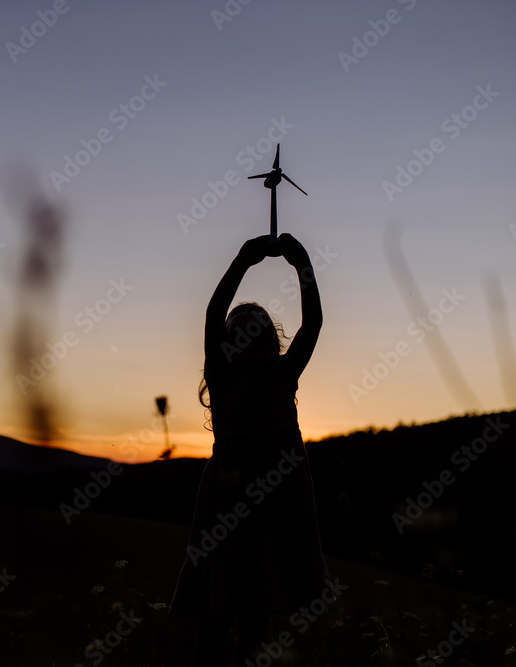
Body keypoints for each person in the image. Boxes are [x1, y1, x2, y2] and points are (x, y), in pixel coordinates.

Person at [169, 233, 328, 665]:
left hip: (272, 505)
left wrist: (302, 265)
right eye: (243, 329)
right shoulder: (226, 381)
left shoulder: (282, 376)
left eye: (258, 329)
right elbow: (212, 313)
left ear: (273, 346)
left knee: (256, 616)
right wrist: (243, 260)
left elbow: (312, 325)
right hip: (229, 503)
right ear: (228, 346)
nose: (251, 332)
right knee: (218, 609)